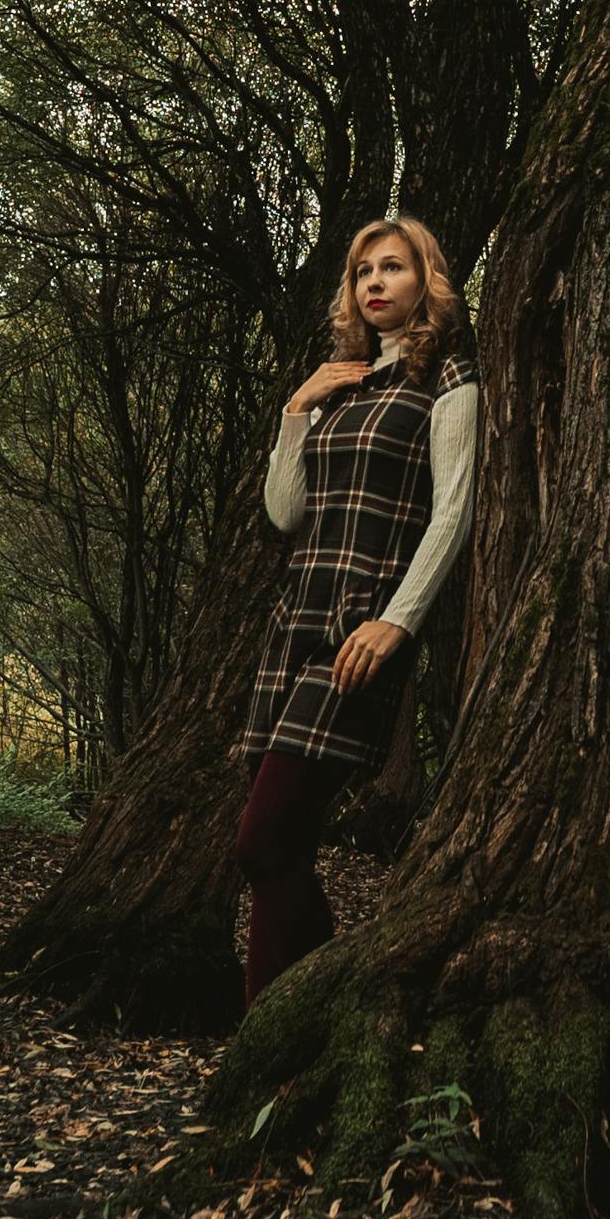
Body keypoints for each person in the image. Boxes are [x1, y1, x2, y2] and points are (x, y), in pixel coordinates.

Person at [230, 213, 479, 1004]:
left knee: (262, 842)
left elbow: (454, 511)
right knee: (283, 851)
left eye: (393, 266)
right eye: (363, 270)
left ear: (426, 279)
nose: (375, 281)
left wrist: (397, 620)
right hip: (295, 623)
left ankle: (323, 1008)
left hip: (360, 629)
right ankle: (270, 1034)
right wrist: (296, 409)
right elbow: (285, 512)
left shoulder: (448, 377)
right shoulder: (344, 382)